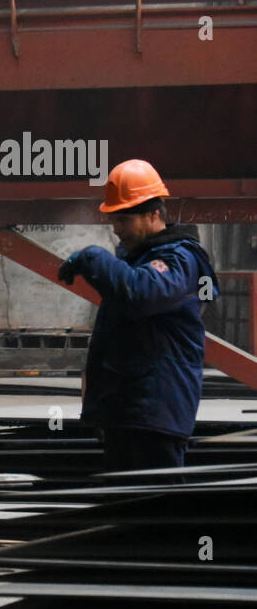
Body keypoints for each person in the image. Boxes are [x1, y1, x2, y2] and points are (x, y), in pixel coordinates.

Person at [58, 159, 215, 471]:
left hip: (155, 415)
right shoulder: (141, 258)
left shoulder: (180, 259)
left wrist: (91, 257)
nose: (117, 230)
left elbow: (141, 293)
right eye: (114, 221)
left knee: (155, 508)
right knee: (127, 507)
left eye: (124, 220)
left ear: (154, 214)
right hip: (130, 412)